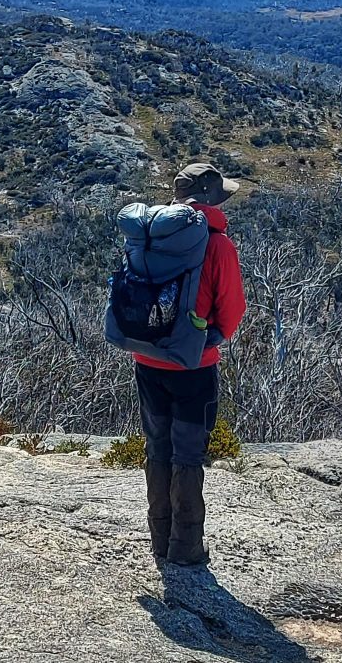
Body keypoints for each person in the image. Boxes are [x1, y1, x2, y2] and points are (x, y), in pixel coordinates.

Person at [134, 163, 246, 566]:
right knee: (188, 453)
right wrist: (212, 338)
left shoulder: (150, 234)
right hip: (194, 365)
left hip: (147, 359)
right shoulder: (217, 244)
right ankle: (186, 546)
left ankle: (159, 538)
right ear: (210, 196)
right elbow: (232, 309)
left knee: (157, 445)